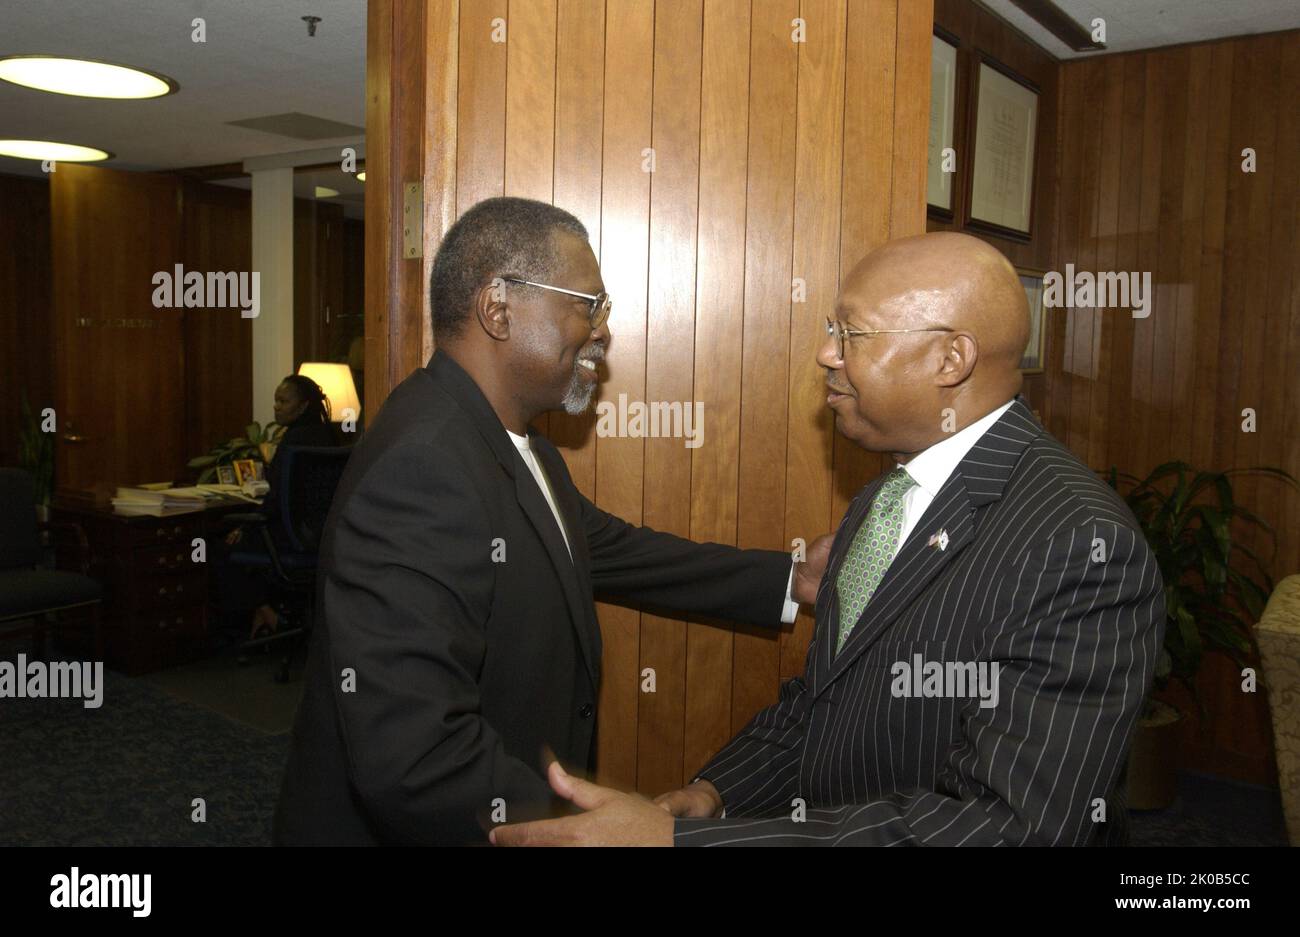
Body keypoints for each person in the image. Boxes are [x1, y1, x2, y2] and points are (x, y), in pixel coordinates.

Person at [491, 232, 1165, 847]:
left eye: (853, 333)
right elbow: (827, 701)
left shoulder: (1079, 546)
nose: (826, 353)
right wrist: (716, 793)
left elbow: (1011, 827)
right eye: (830, 328)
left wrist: (678, 844)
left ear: (950, 359)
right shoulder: (885, 494)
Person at [271, 197, 832, 845]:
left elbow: (616, 550)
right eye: (586, 304)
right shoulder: (423, 464)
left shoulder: (518, 443)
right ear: (498, 308)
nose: (601, 330)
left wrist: (791, 579)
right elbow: (413, 755)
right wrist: (590, 828)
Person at [219, 375, 336, 641]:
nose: (276, 407)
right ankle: (270, 614)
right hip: (321, 537)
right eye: (275, 401)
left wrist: (246, 524)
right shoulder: (328, 435)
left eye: (283, 401)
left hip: (289, 537)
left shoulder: (293, 441)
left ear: (303, 406)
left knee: (222, 546)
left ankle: (264, 613)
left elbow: (276, 499)